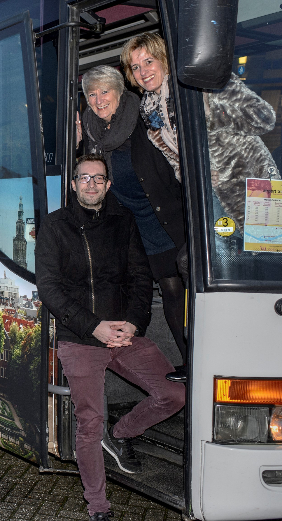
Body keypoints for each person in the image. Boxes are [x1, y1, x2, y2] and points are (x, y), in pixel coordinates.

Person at [36, 154, 185, 521]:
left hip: (122, 332)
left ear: (108, 185)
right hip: (80, 337)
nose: (92, 184)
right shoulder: (54, 226)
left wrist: (132, 323)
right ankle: (98, 507)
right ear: (73, 184)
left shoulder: (124, 221)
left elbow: (139, 276)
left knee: (174, 394)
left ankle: (120, 433)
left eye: (98, 178)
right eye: (85, 178)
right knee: (89, 424)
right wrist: (93, 327)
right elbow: (50, 290)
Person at [77, 62, 188, 382]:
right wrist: (75, 143)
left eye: (105, 92)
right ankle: (139, 364)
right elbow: (87, 176)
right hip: (128, 225)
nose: (98, 100)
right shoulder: (91, 129)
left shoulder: (142, 117)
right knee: (140, 291)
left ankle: (193, 360)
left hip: (159, 217)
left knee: (175, 290)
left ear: (119, 91)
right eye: (92, 94)